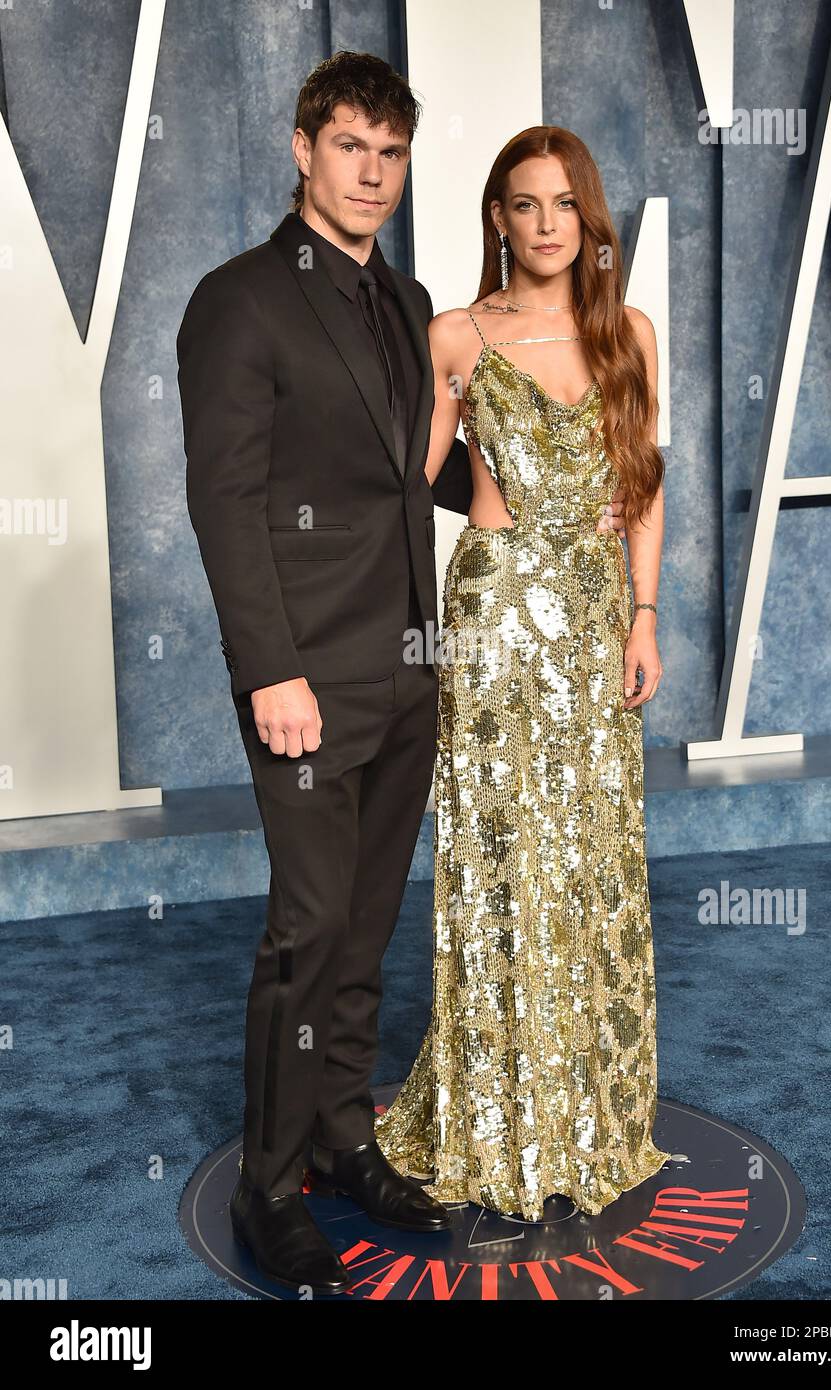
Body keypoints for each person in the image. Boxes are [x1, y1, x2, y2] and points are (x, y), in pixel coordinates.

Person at [177, 52, 630, 1290]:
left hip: (414, 666)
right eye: (348, 148)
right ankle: (273, 1185)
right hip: (305, 680)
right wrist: (270, 670)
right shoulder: (241, 299)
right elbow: (222, 503)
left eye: (390, 153)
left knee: (368, 925)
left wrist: (546, 480)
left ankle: (339, 1136)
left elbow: (421, 473)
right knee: (306, 926)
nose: (369, 173)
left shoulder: (410, 299)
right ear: (301, 148)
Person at [374, 125, 672, 1221]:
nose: (546, 225)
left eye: (564, 206)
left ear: (587, 220)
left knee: (586, 850)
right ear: (497, 218)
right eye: (524, 204)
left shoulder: (628, 331)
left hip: (598, 619)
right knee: (502, 856)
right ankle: (496, 1113)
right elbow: (411, 478)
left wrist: (643, 617)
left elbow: (640, 487)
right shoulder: (456, 333)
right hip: (496, 615)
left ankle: (582, 1112)